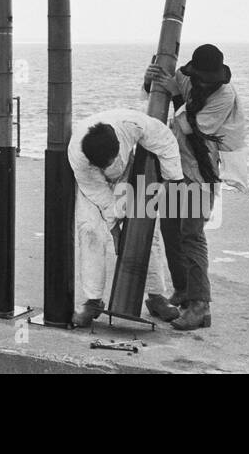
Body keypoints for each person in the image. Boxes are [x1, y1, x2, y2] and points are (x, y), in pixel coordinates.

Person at [143, 43, 248, 331]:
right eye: (198, 76)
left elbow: (193, 127)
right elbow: (155, 92)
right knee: (169, 227)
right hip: (175, 164)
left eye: (205, 78)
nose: (200, 82)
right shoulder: (187, 76)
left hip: (200, 170)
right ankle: (183, 290)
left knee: (192, 234)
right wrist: (150, 78)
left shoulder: (225, 94)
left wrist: (175, 93)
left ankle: (200, 305)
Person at [68, 108, 183, 328]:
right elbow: (101, 196)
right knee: (90, 231)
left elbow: (166, 141)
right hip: (94, 186)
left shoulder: (131, 124)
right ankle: (93, 300)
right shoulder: (79, 157)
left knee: (146, 229)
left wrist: (171, 181)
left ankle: (156, 296)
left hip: (127, 170)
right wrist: (116, 232)